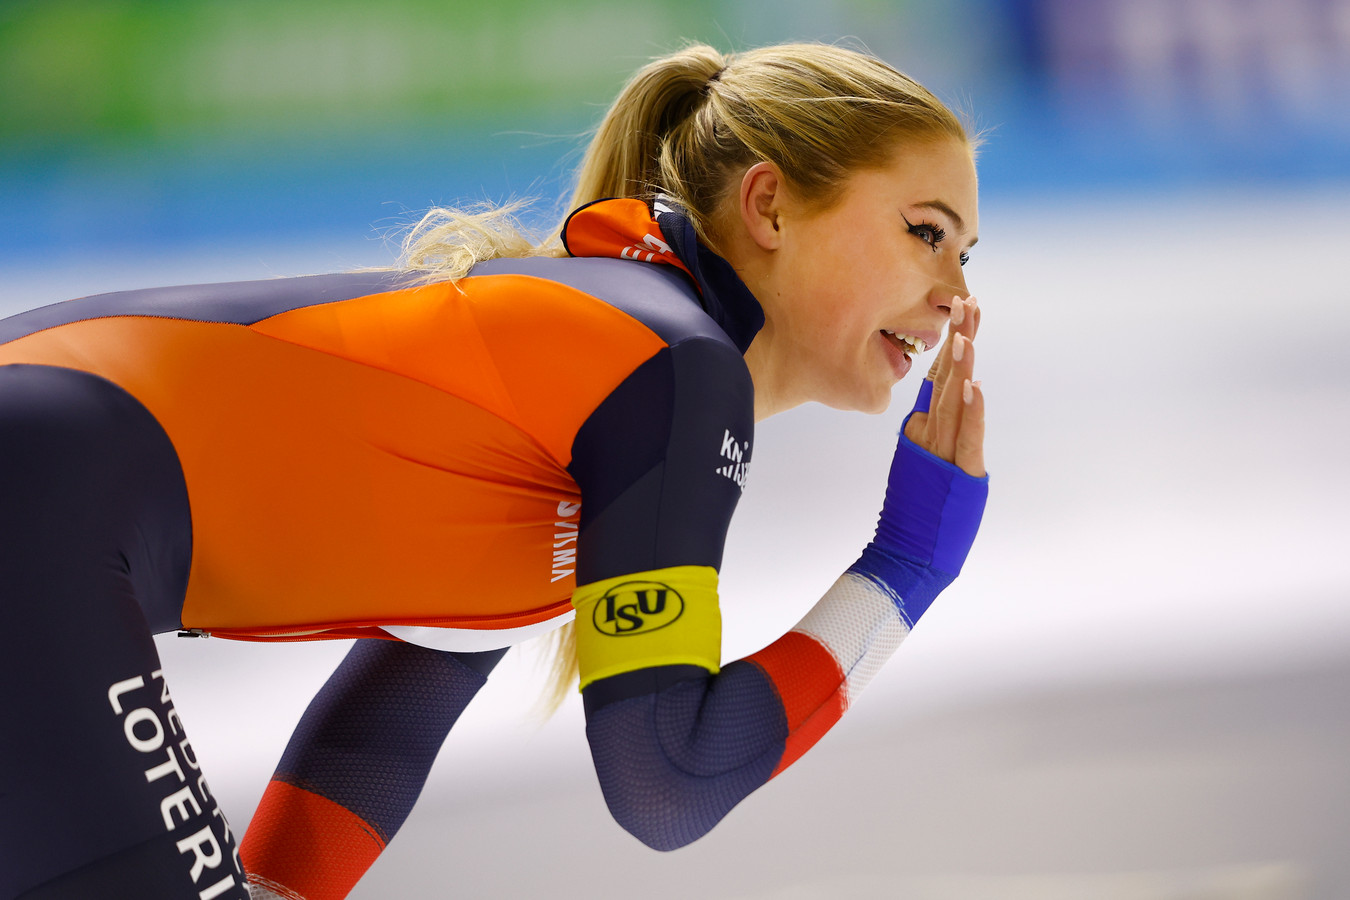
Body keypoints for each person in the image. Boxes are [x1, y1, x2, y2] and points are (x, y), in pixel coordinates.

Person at [0, 41, 985, 900]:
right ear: (769, 205)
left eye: (967, 254)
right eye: (924, 232)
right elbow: (669, 778)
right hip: (43, 504)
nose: (952, 293)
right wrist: (908, 563)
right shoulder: (672, 365)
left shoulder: (601, 366)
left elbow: (384, 723)